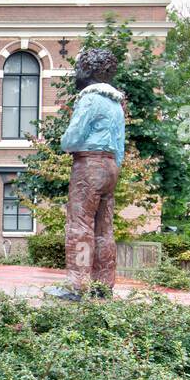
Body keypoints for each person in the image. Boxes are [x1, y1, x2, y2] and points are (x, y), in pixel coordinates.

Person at [56, 47, 126, 297]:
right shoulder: (116, 104)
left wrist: (63, 140)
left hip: (89, 165)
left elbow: (73, 138)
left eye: (78, 68)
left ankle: (78, 286)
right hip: (111, 167)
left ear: (87, 70)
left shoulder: (90, 98)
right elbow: (120, 145)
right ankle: (103, 286)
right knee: (104, 229)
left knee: (80, 225)